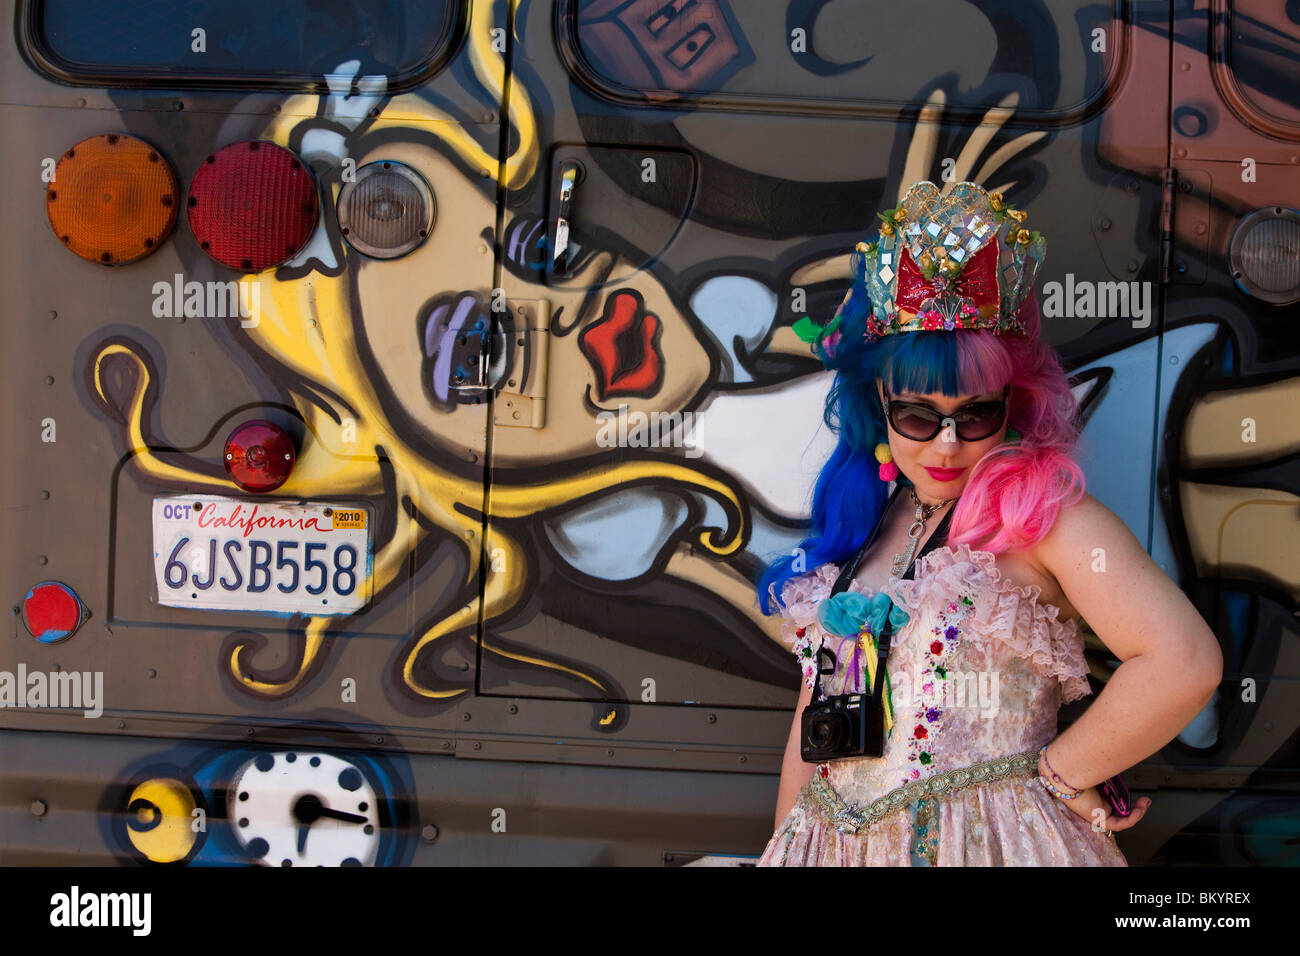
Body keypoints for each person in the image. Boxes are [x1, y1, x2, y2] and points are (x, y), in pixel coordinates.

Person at [754, 180, 1222, 866]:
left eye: (975, 414)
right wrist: (784, 846)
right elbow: (813, 727)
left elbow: (1184, 663)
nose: (946, 445)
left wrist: (1063, 775)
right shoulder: (872, 519)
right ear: (876, 401)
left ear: (1014, 402)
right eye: (917, 415)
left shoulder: (1048, 520)